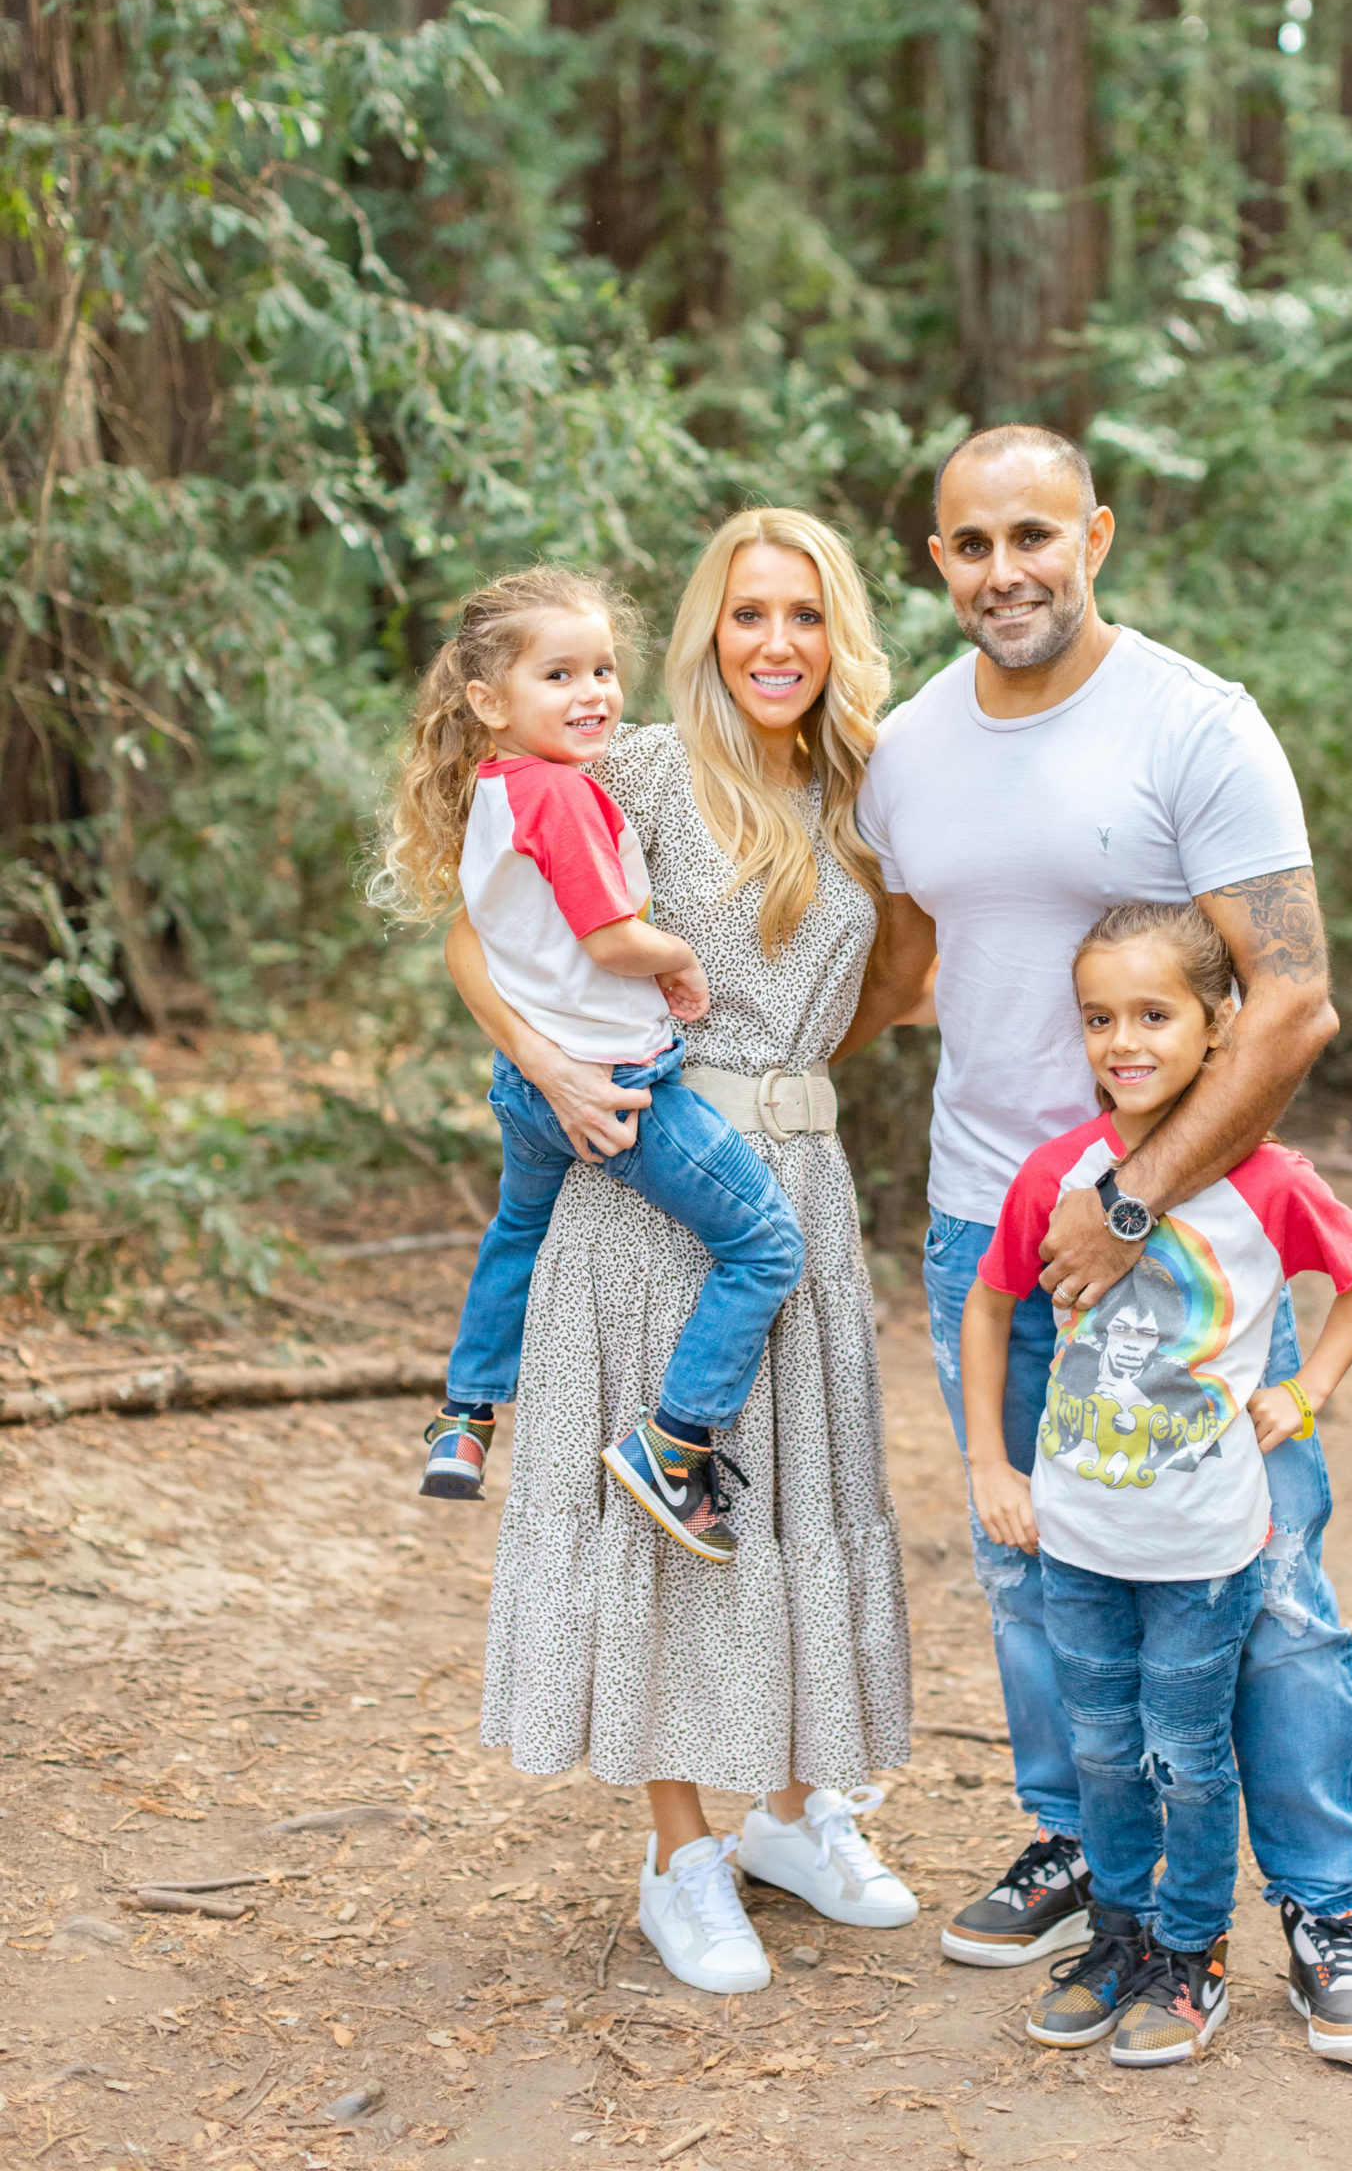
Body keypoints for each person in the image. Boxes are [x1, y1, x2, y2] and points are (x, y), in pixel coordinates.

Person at [846, 422, 1352, 2061]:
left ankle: (1323, 1901)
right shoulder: (908, 752)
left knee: (1272, 1582)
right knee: (1036, 1573)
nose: (1004, 569)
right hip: (984, 1228)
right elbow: (895, 968)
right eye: (969, 544)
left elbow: (1291, 996)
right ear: (935, 562)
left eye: (1035, 534)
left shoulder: (1192, 723)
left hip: (1179, 1240)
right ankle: (1099, 1861)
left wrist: (1131, 1198)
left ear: (1092, 533)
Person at [444, 511, 917, 1997]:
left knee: (788, 1503)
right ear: (706, 631)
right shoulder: (630, 769)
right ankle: (676, 1852)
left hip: (802, 1183)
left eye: (802, 616)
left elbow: (891, 983)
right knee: (668, 1526)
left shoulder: (864, 794)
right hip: (647, 1179)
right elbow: (480, 930)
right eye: (744, 614)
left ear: (837, 636)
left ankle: (788, 1814)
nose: (773, 643)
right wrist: (542, 1059)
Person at [963, 900, 1352, 2064]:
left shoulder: (1267, 1180)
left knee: (1186, 1756)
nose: (1123, 1041)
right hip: (1081, 1538)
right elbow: (990, 1300)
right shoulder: (1059, 1174)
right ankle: (1119, 1937)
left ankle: (1191, 1955)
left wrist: (1306, 1400)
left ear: (1222, 1027)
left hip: (1209, 1548)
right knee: (1100, 1750)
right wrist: (991, 1463)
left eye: (1154, 1014)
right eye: (1099, 1018)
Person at [371, 565, 806, 1555]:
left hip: (524, 1089)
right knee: (767, 1244)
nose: (593, 692)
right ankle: (676, 1441)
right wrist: (681, 956)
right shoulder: (562, 796)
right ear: (489, 700)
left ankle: (466, 1417)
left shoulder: (495, 790)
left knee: (517, 1231)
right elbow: (612, 936)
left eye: (603, 669)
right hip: (619, 1092)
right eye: (558, 675)